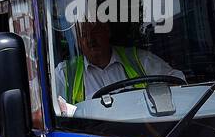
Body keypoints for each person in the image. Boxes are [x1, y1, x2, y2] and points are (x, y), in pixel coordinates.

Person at [53, 20, 184, 115]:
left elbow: (177, 82)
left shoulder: (139, 60)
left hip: (145, 136)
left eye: (95, 31)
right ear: (78, 42)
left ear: (107, 31)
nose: (90, 39)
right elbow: (50, 110)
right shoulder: (64, 73)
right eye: (83, 35)